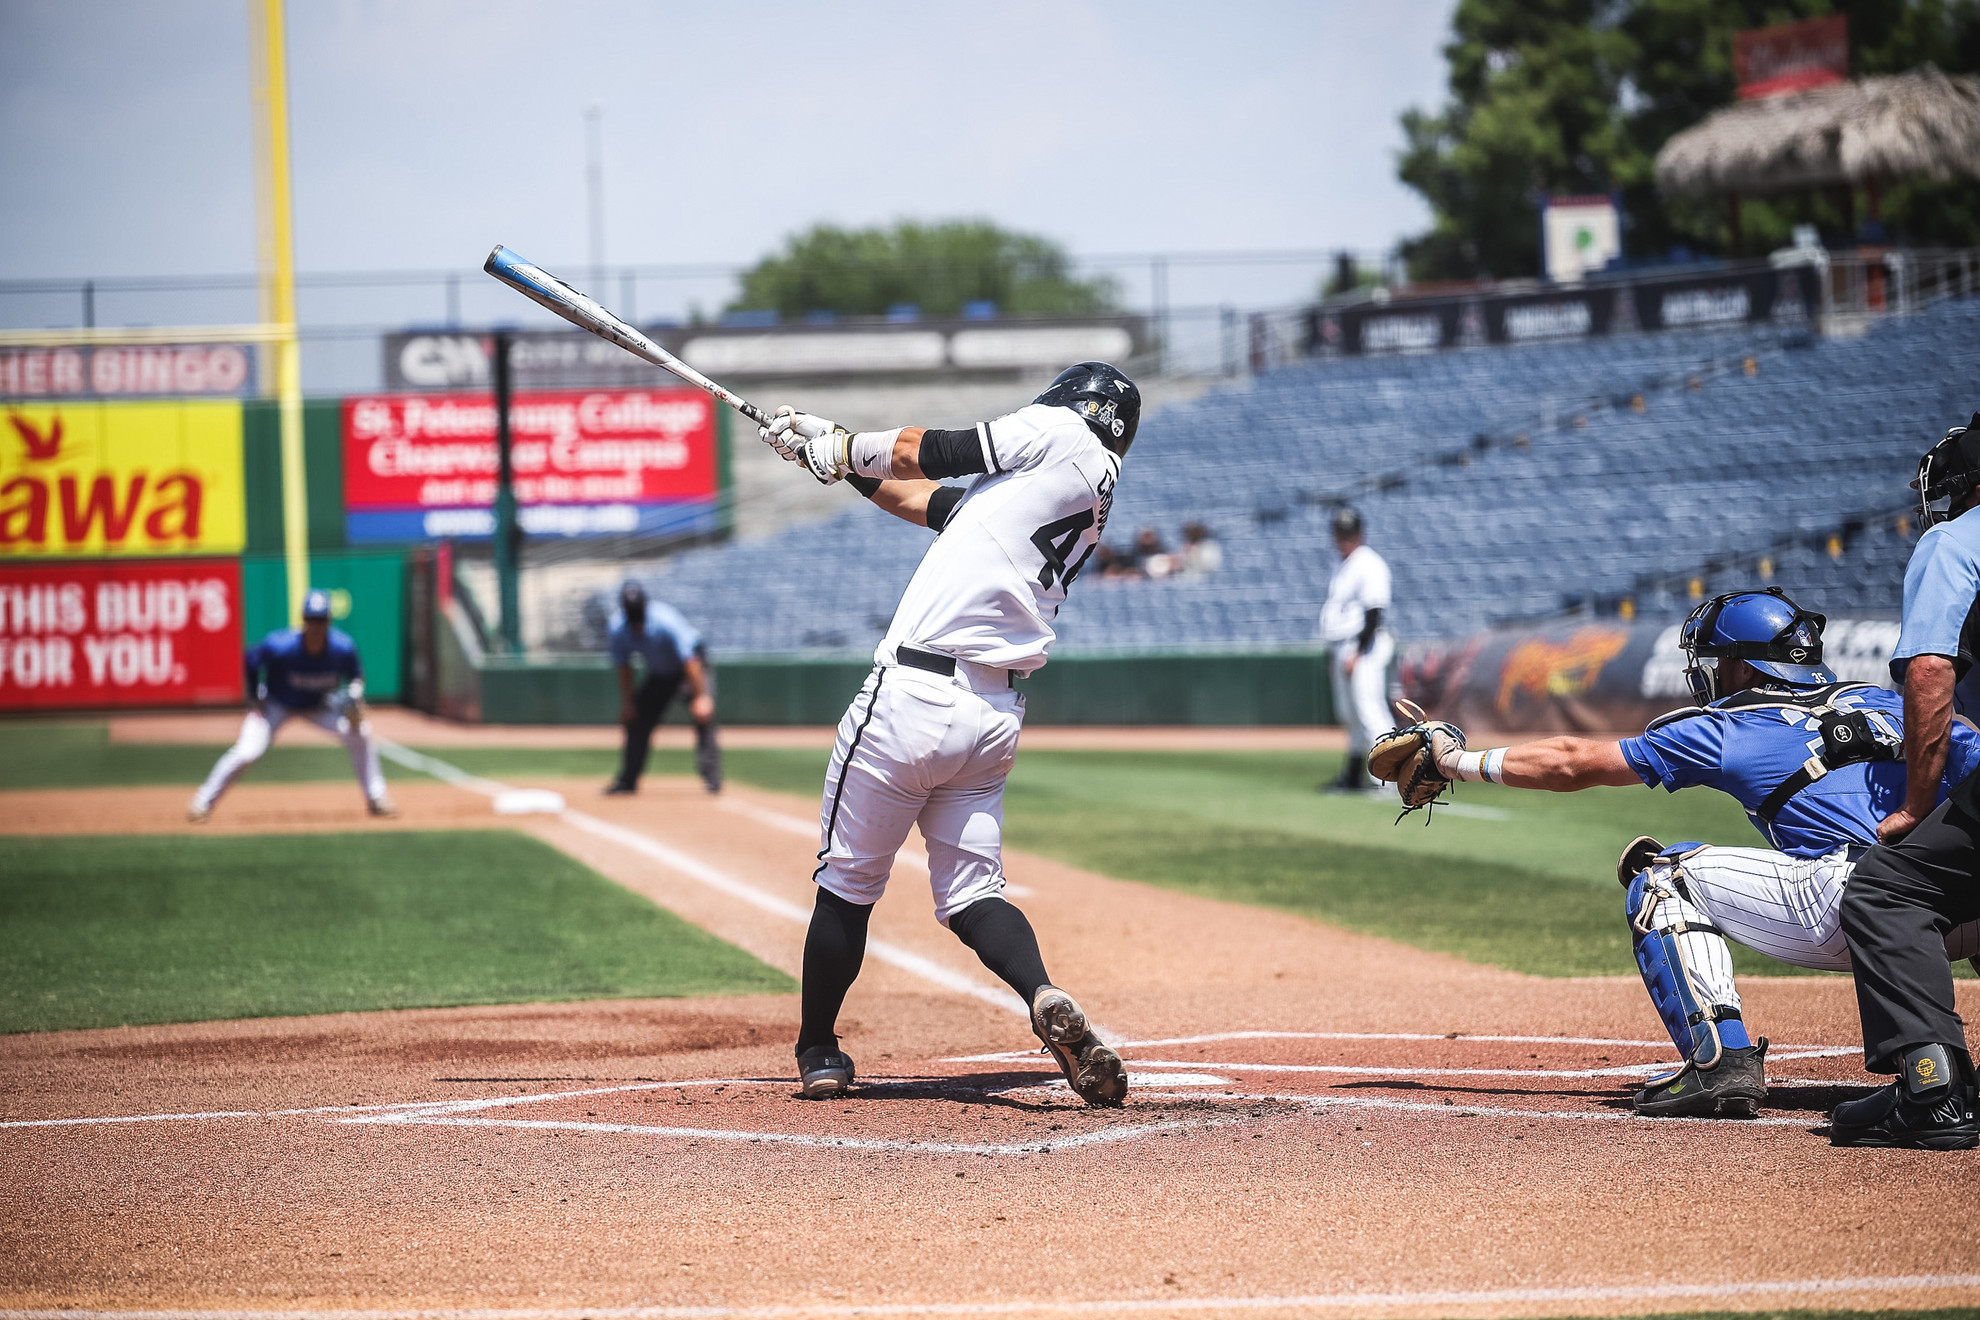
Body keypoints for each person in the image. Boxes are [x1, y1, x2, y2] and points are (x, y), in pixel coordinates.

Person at [1369, 586, 1980, 1119]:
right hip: (1950, 906)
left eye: (1715, 661)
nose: (1708, 673)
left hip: (1855, 908)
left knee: (1665, 875)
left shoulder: (1730, 724)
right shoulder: (1886, 702)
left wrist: (1456, 762)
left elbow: (1573, 762)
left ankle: (1719, 1057)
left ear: (1743, 669)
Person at [757, 361, 1136, 1107]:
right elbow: (933, 501)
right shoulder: (1084, 488)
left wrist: (849, 449)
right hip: (991, 719)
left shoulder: (1058, 430)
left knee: (847, 887)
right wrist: (828, 451)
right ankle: (1042, 992)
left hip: (910, 699)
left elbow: (934, 451)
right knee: (971, 895)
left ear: (1073, 402)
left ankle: (819, 1050)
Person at [1832, 411, 1980, 1150]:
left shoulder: (1955, 540)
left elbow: (1929, 671)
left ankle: (1934, 1094)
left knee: (1889, 887)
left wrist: (1918, 804)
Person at [189, 588, 393, 822]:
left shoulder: (343, 647)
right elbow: (252, 658)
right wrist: (255, 695)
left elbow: (356, 675)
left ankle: (377, 798)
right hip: (277, 704)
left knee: (361, 733)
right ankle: (202, 802)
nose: (316, 626)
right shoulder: (281, 645)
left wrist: (355, 693)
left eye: (321, 620)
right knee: (247, 752)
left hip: (320, 705)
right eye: (311, 619)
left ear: (329, 621)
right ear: (303, 620)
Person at [602, 581, 719, 796]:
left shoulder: (665, 620)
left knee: (703, 716)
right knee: (636, 719)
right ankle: (628, 780)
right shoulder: (618, 627)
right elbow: (624, 667)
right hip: (660, 673)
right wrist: (628, 703)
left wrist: (701, 696)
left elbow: (690, 660)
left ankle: (712, 779)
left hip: (689, 670)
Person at [1319, 507, 1393, 793]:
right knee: (1349, 714)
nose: (1343, 538)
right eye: (1339, 533)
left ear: (1360, 534)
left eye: (1348, 533)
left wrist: (1358, 653)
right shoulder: (1344, 565)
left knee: (1369, 709)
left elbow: (1374, 612)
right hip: (1343, 647)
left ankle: (1389, 777)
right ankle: (1352, 774)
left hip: (1364, 646)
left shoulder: (1369, 563)